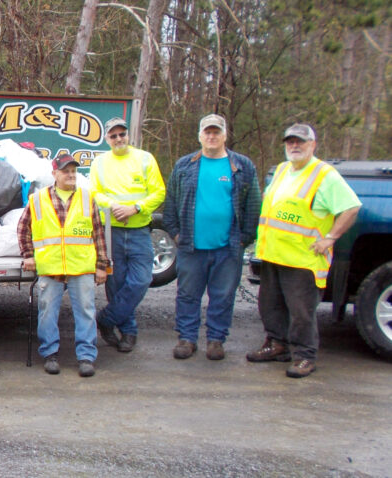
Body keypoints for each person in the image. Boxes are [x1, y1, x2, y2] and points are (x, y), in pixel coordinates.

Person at [247, 124, 361, 378]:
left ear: (313, 144)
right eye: (290, 142)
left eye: (300, 142)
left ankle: (305, 356)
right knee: (270, 306)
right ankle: (277, 345)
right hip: (273, 255)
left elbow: (351, 207)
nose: (294, 146)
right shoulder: (282, 170)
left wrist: (331, 238)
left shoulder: (324, 175)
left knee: (302, 312)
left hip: (303, 259)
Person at [162, 114, 261, 361]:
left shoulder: (242, 166)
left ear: (225, 135)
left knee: (223, 296)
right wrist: (175, 233)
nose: (212, 136)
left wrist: (244, 239)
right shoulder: (185, 165)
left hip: (228, 247)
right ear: (200, 135)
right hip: (191, 246)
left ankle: (216, 340)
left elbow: (253, 205)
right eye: (207, 132)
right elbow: (171, 202)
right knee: (187, 295)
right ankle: (187, 338)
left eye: (216, 132)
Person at [19, 154, 108, 377]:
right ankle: (50, 354)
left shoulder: (88, 198)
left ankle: (86, 357)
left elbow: (98, 233)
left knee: (86, 312)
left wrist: (102, 265)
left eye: (73, 171)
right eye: (65, 171)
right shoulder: (38, 199)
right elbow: (23, 228)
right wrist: (28, 255)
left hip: (82, 266)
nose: (70, 175)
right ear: (54, 174)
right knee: (47, 311)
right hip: (51, 266)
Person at [90, 117, 166, 353]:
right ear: (107, 139)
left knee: (142, 279)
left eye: (122, 134)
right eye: (113, 136)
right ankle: (129, 332)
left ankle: (106, 319)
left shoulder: (145, 159)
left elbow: (159, 192)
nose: (118, 139)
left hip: (139, 231)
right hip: (110, 231)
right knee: (116, 284)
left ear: (127, 135)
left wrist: (136, 208)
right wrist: (112, 206)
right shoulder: (100, 163)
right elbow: (93, 192)